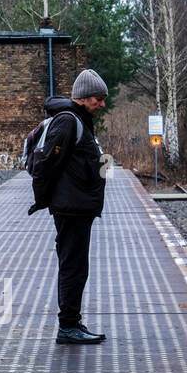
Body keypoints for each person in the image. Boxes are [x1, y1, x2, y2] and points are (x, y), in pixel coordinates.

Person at [30, 68, 109, 345]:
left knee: (76, 266)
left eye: (103, 99)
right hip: (71, 208)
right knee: (73, 267)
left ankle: (72, 322)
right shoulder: (68, 122)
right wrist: (43, 199)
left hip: (78, 207)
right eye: (98, 98)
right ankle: (67, 327)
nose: (102, 104)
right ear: (83, 98)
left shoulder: (81, 121)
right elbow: (45, 165)